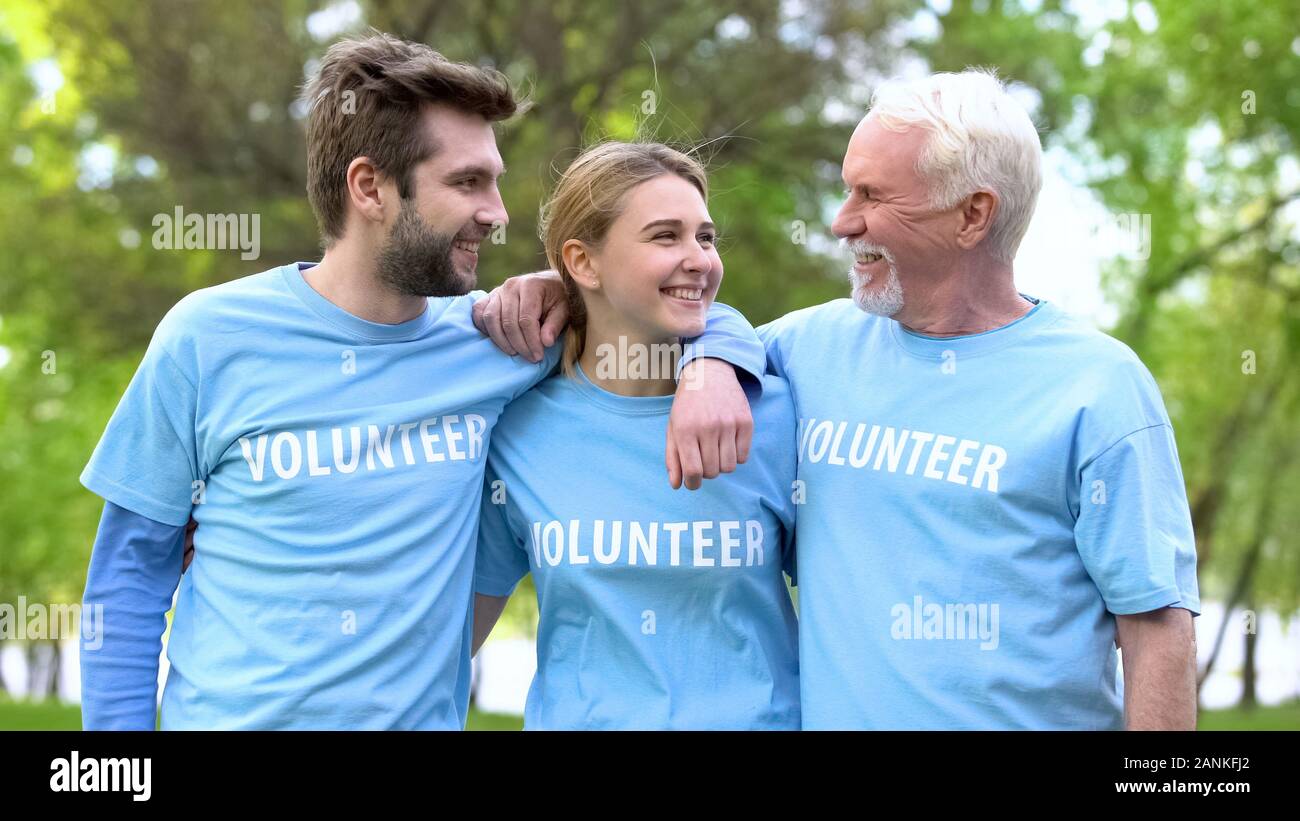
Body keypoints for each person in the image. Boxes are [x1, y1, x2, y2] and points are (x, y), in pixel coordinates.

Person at [474, 69, 1201, 730]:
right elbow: (683, 315)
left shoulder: (1097, 385)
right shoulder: (805, 353)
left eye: (872, 196)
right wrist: (575, 297)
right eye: (848, 188)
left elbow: (1157, 621)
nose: (841, 220)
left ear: (972, 215)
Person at [78, 33, 762, 730]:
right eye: (467, 182)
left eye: (493, 180)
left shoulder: (504, 339)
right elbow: (127, 578)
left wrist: (713, 364)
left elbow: (667, 301)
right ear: (370, 187)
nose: (497, 212)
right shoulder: (207, 337)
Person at [471, 142, 800, 729]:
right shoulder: (518, 432)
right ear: (583, 262)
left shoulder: (774, 416)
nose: (699, 258)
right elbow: (454, 641)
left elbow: (853, 610)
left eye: (705, 236)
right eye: (665, 236)